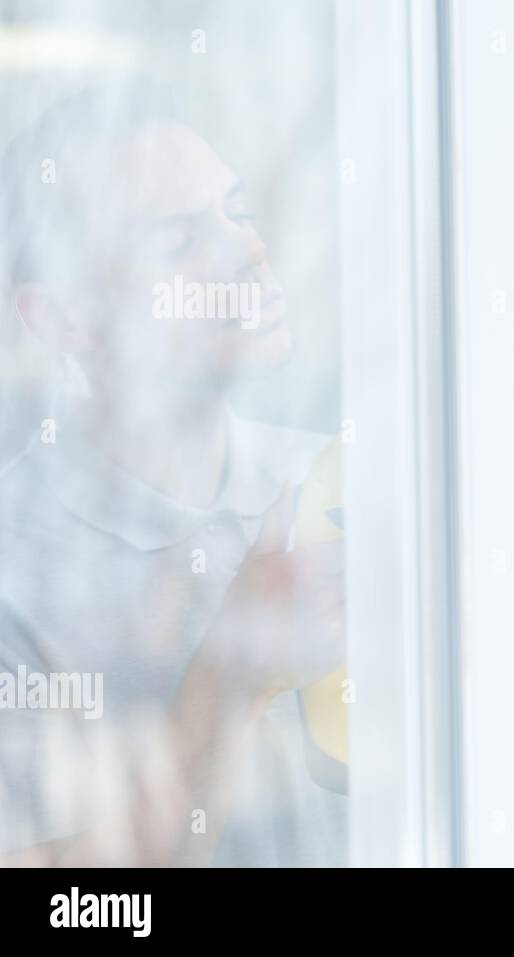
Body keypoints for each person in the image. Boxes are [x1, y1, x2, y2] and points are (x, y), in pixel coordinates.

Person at [0, 81, 346, 866]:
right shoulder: (16, 573)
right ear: (61, 320)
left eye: (239, 214)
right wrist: (227, 675)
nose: (248, 251)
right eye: (180, 240)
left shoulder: (354, 487)